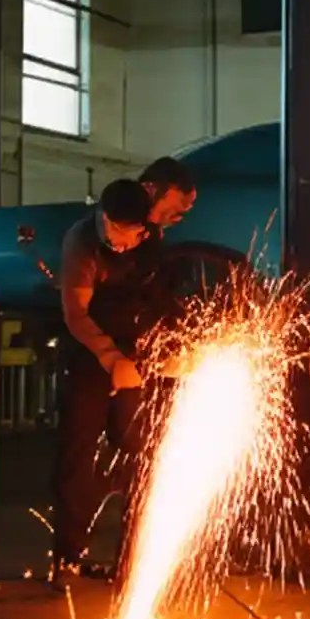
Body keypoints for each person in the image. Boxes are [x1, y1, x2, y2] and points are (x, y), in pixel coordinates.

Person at [52, 161, 195, 587]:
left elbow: (158, 298)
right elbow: (76, 314)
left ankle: (134, 558)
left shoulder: (149, 238)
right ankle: (67, 559)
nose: (128, 242)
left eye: (137, 234)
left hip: (136, 354)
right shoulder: (82, 242)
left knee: (142, 451)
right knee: (79, 456)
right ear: (106, 221)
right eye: (122, 233)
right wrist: (112, 358)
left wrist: (175, 347)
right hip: (90, 358)